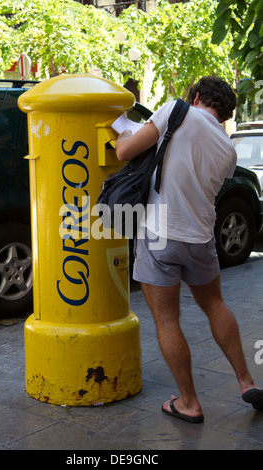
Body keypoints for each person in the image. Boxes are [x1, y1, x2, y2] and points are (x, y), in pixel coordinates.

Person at [115, 76, 263, 424]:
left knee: (167, 319)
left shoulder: (175, 110)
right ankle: (246, 381)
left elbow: (125, 152)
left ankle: (189, 402)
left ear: (196, 96)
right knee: (215, 304)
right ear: (225, 113)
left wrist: (124, 132)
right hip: (200, 237)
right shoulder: (228, 149)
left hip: (160, 233)